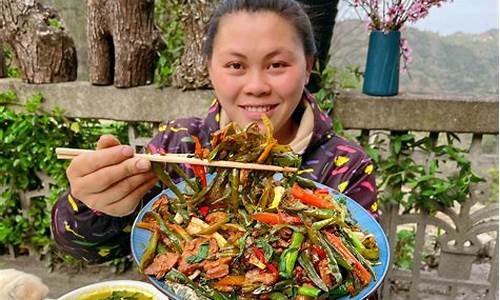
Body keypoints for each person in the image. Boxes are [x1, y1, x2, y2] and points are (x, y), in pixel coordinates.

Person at [52, 0, 377, 264]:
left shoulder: (345, 165)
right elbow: (87, 250)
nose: (257, 87)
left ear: (308, 67)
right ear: (209, 68)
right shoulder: (177, 142)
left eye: (277, 65)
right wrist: (94, 204)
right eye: (235, 65)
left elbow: (364, 271)